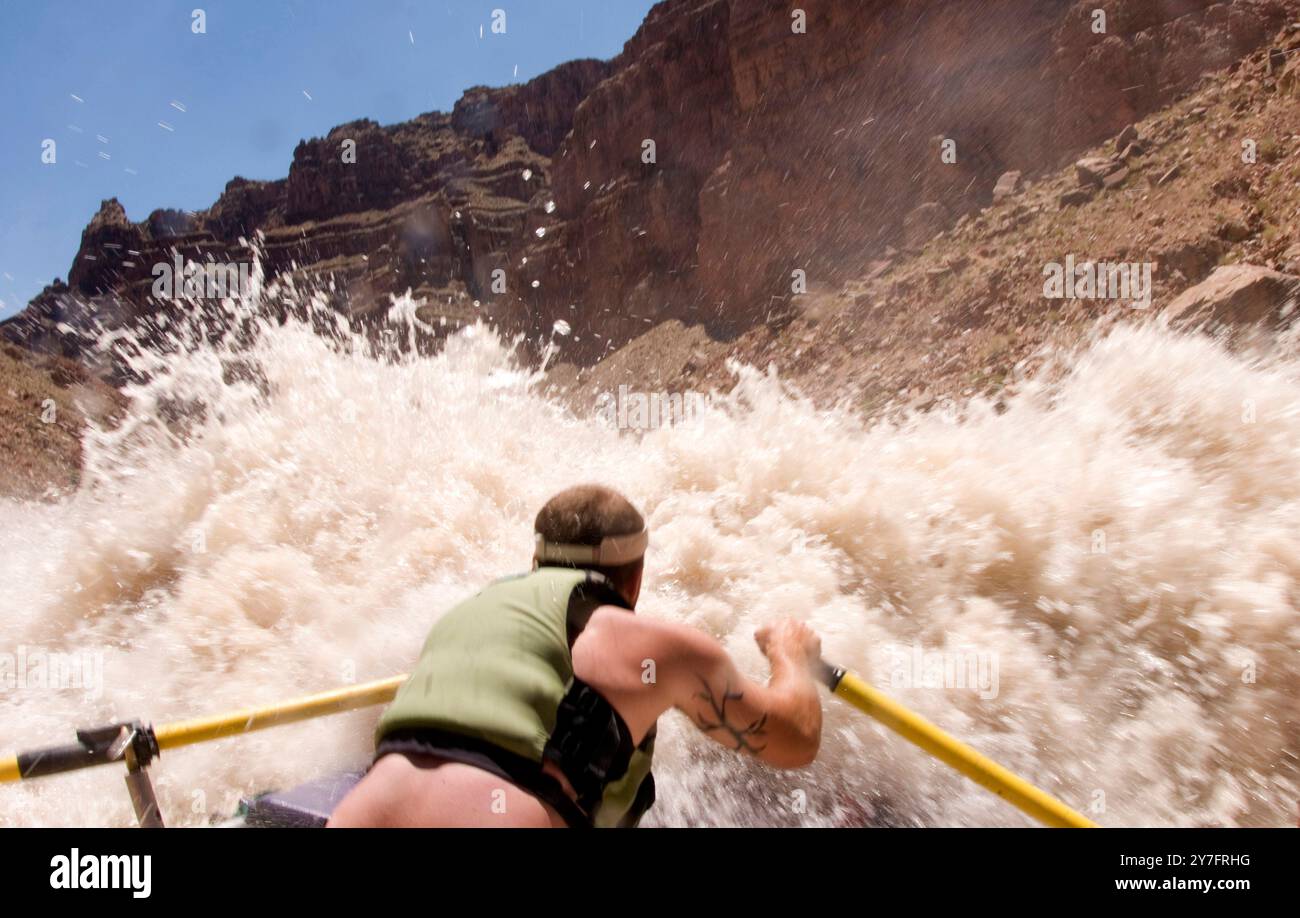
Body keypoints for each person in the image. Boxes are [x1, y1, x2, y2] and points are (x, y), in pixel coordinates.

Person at [328, 484, 823, 828]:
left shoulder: (465, 615)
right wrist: (791, 654)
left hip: (355, 814)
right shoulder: (662, 646)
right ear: (635, 579)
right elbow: (795, 739)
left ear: (536, 562)